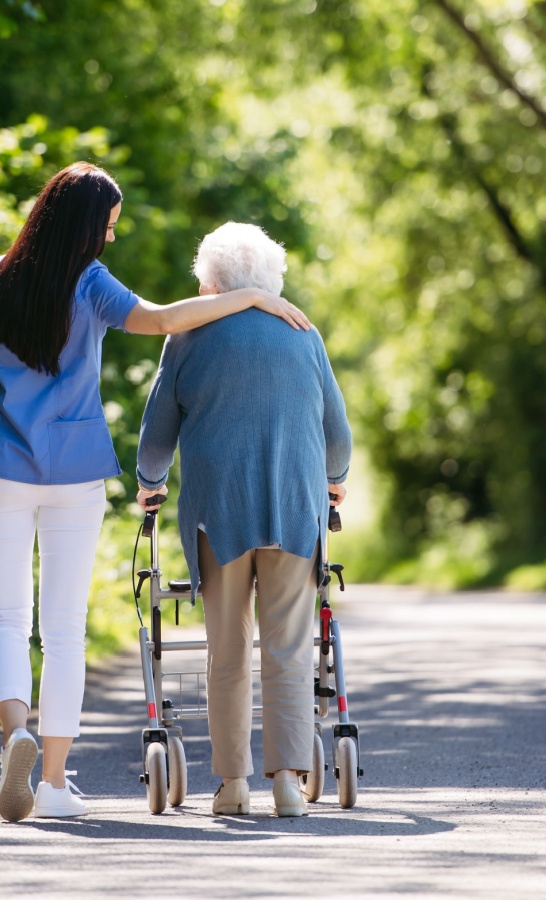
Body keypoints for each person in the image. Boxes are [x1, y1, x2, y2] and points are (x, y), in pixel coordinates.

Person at [0, 165, 311, 822]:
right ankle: (52, 784)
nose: (111, 238)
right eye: (109, 226)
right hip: (75, 471)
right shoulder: (89, 283)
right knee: (64, 629)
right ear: (84, 226)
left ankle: (16, 734)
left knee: (4, 619)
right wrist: (251, 298)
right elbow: (164, 319)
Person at [134, 222, 351, 817]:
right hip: (294, 508)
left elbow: (157, 434)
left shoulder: (187, 337)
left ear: (212, 283)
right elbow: (337, 432)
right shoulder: (303, 333)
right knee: (289, 647)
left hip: (219, 514)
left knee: (227, 649)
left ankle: (233, 785)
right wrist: (335, 478)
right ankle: (288, 783)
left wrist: (150, 484)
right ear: (269, 279)